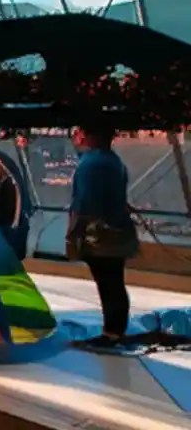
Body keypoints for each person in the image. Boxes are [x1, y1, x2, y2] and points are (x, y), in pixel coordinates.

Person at [68, 125, 137, 346]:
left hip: (99, 236)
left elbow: (83, 204)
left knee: (108, 284)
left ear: (88, 136)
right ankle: (115, 330)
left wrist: (72, 235)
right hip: (118, 233)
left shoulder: (90, 164)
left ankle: (111, 333)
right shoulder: (113, 161)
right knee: (115, 282)